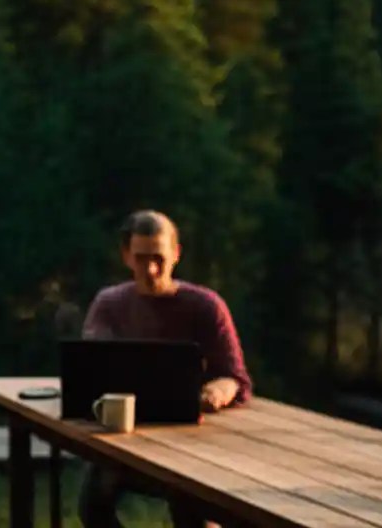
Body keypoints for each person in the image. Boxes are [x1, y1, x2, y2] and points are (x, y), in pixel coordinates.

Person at [77, 210, 252, 528]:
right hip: (126, 435)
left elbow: (234, 376)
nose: (151, 269)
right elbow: (92, 363)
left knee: (192, 513)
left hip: (190, 438)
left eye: (158, 258)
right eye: (141, 258)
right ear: (126, 256)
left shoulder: (205, 306)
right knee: (92, 504)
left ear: (176, 254)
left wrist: (218, 391)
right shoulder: (110, 304)